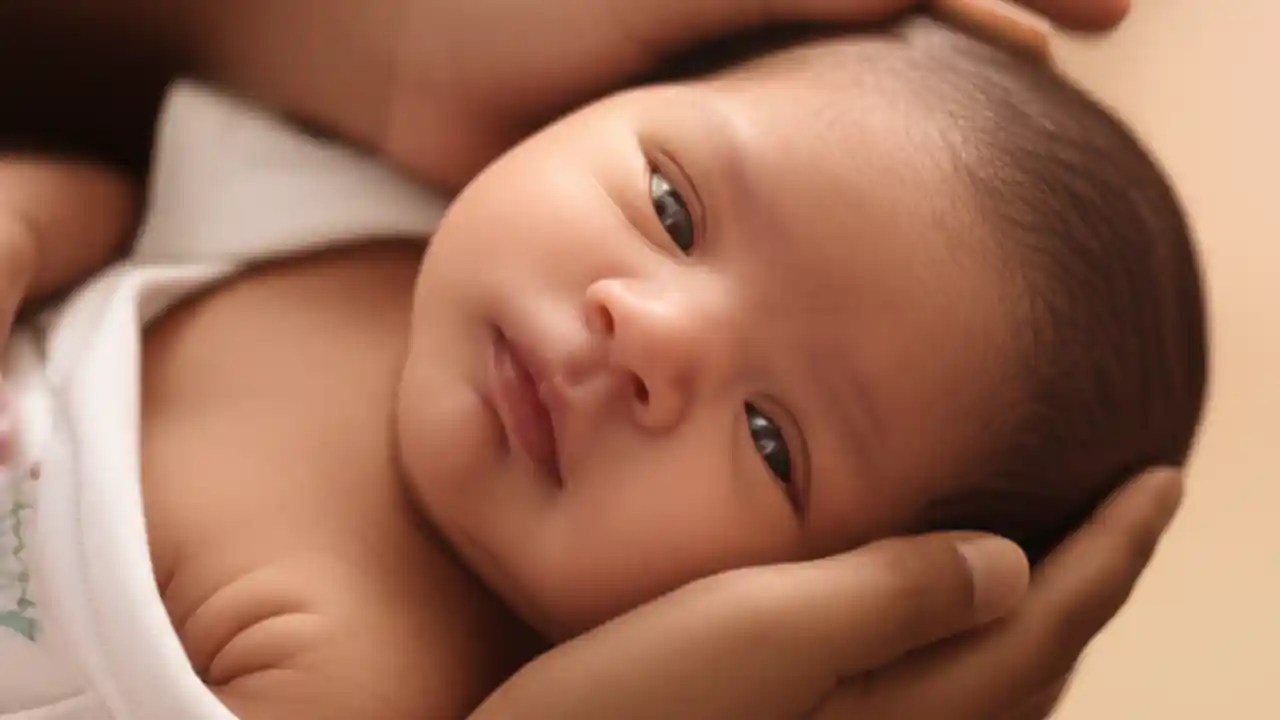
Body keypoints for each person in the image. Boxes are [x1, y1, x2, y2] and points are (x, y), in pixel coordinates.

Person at [0, 1, 1188, 719]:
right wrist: (29, 226)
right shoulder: (342, 203)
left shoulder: (379, 681)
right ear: (596, 100)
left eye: (770, 441)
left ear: (817, 623)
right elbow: (116, 204)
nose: (648, 337)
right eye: (672, 207)